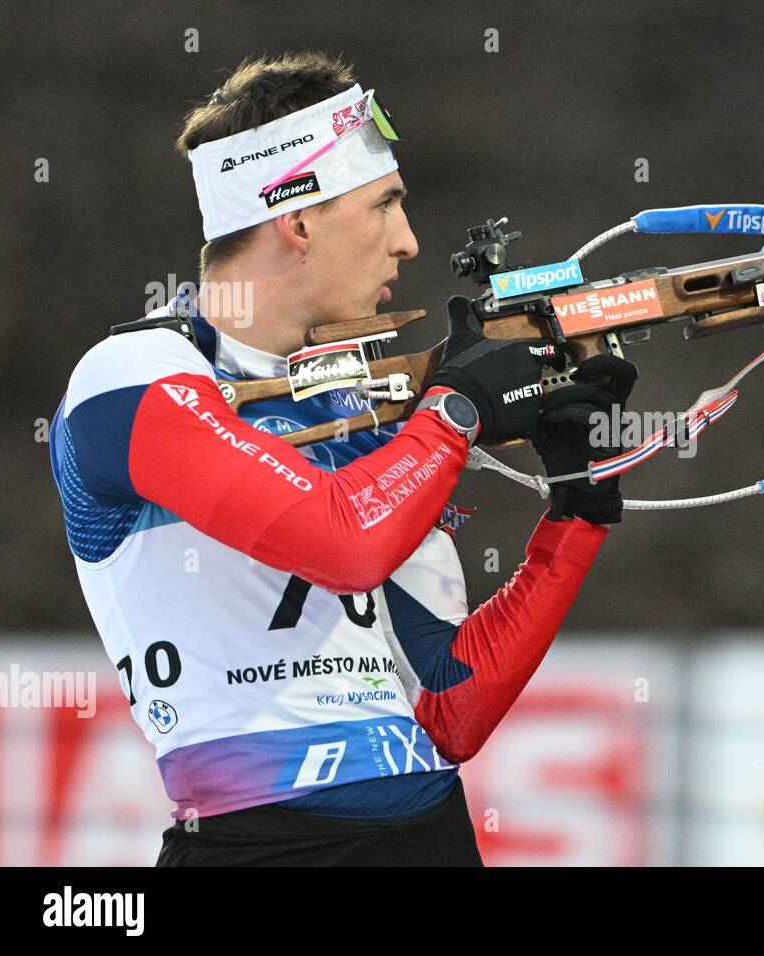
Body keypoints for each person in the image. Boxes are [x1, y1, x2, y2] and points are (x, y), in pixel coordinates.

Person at [46, 51, 635, 866]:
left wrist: (575, 509)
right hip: (257, 846)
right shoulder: (131, 379)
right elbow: (344, 542)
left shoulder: (362, 405)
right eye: (385, 204)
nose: (408, 241)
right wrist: (456, 407)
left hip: (428, 833)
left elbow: (448, 706)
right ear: (299, 219)